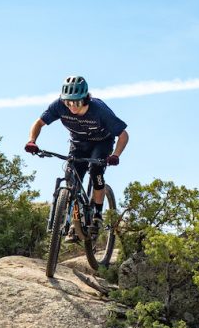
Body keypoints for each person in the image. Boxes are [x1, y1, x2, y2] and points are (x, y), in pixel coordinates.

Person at [25, 75, 128, 231]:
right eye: (68, 102)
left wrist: (115, 155)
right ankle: (75, 223)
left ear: (85, 98)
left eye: (77, 102)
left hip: (101, 143)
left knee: (95, 171)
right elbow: (39, 123)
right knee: (71, 180)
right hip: (78, 144)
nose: (72, 106)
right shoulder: (59, 106)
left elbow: (123, 135)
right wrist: (32, 141)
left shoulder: (99, 110)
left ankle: (97, 215)